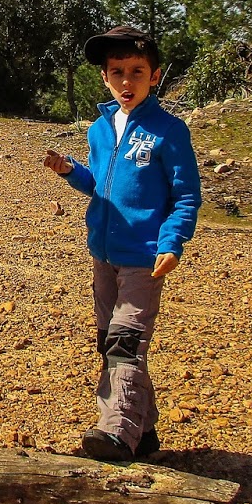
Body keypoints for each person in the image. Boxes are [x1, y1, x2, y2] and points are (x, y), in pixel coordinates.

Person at [43, 25, 201, 462]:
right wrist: (69, 171)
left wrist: (172, 241)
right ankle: (144, 430)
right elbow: (99, 185)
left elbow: (186, 195)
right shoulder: (99, 128)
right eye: (117, 72)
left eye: (137, 71)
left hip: (144, 258)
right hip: (103, 253)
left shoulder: (170, 131)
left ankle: (116, 433)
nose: (126, 82)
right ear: (104, 77)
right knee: (108, 339)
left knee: (126, 341)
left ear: (155, 75)